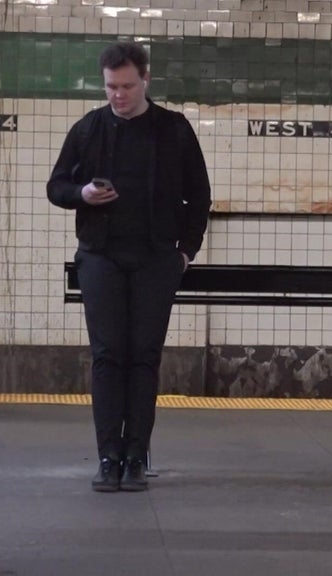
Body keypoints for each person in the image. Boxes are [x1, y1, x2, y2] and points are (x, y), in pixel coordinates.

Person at [47, 42, 212, 492]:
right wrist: (82, 195)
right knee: (107, 356)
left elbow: (200, 197)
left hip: (157, 258)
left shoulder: (173, 130)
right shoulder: (88, 129)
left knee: (143, 357)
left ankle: (136, 456)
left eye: (126, 86)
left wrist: (186, 252)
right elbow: (56, 185)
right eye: (110, 87)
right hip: (100, 256)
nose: (118, 95)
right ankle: (107, 457)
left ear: (146, 80)